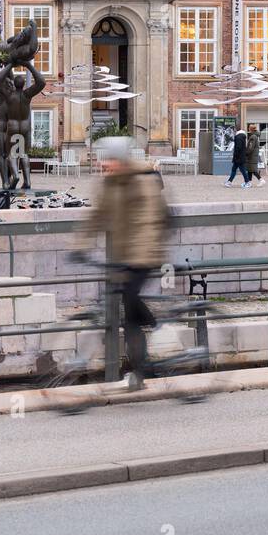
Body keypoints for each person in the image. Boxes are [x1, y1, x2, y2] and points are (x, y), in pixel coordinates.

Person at [75, 137, 169, 392]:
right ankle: (140, 370)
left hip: (146, 253)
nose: (104, 164)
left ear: (121, 159)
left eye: (108, 159)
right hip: (123, 256)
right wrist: (80, 246)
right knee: (129, 316)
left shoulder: (142, 180)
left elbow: (147, 223)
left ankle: (159, 330)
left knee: (130, 304)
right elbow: (97, 215)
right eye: (101, 159)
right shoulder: (108, 183)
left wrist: (132, 260)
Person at [245, 122, 266, 187]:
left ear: (250, 129)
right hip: (252, 156)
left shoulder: (253, 137)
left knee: (253, 170)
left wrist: (246, 153)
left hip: (251, 156)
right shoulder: (255, 136)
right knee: (250, 170)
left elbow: (251, 147)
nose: (248, 129)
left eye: (249, 128)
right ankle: (249, 182)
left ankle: (261, 180)